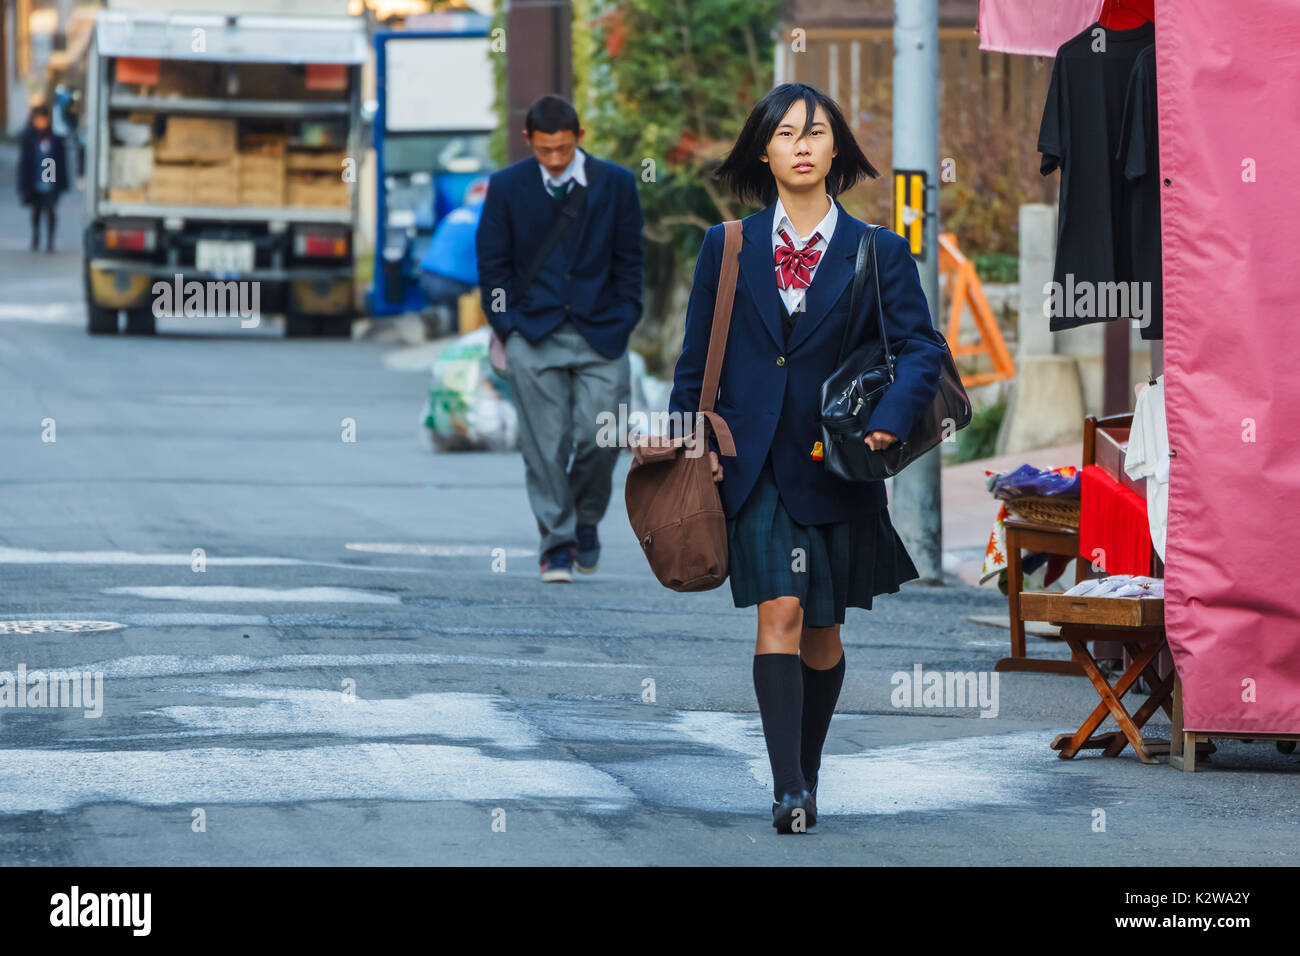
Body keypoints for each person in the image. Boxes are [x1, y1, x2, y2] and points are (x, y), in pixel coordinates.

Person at [668, 83, 945, 833]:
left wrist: (890, 419)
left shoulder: (877, 252)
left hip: (836, 466)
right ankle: (788, 788)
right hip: (750, 466)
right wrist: (682, 449)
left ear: (835, 151)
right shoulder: (726, 247)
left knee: (823, 632)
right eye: (785, 132)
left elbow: (923, 347)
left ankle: (808, 770)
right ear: (764, 150)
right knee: (779, 612)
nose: (801, 143)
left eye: (815, 133)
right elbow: (696, 363)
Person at [476, 95, 644, 583]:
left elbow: (631, 259)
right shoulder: (506, 187)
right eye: (545, 149)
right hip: (532, 331)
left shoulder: (617, 183)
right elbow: (493, 265)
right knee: (543, 446)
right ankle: (557, 543)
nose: (554, 158)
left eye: (564, 149)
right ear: (528, 141)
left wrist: (627, 314)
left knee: (602, 433)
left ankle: (585, 518)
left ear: (580, 138)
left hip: (603, 332)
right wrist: (507, 326)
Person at [419, 178, 486, 338]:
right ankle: (450, 326)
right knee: (466, 317)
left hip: (427, 275)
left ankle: (437, 315)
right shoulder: (491, 216)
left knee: (448, 305)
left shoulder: (456, 213)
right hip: (457, 281)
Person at [17, 105, 69, 252]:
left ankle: (50, 240)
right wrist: (23, 185)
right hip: (35, 179)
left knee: (51, 209)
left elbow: (61, 162)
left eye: (43, 119)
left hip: (50, 180)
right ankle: (36, 235)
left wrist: (62, 183)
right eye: (38, 119)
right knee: (37, 210)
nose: (41, 122)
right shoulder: (28, 137)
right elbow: (24, 162)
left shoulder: (55, 138)